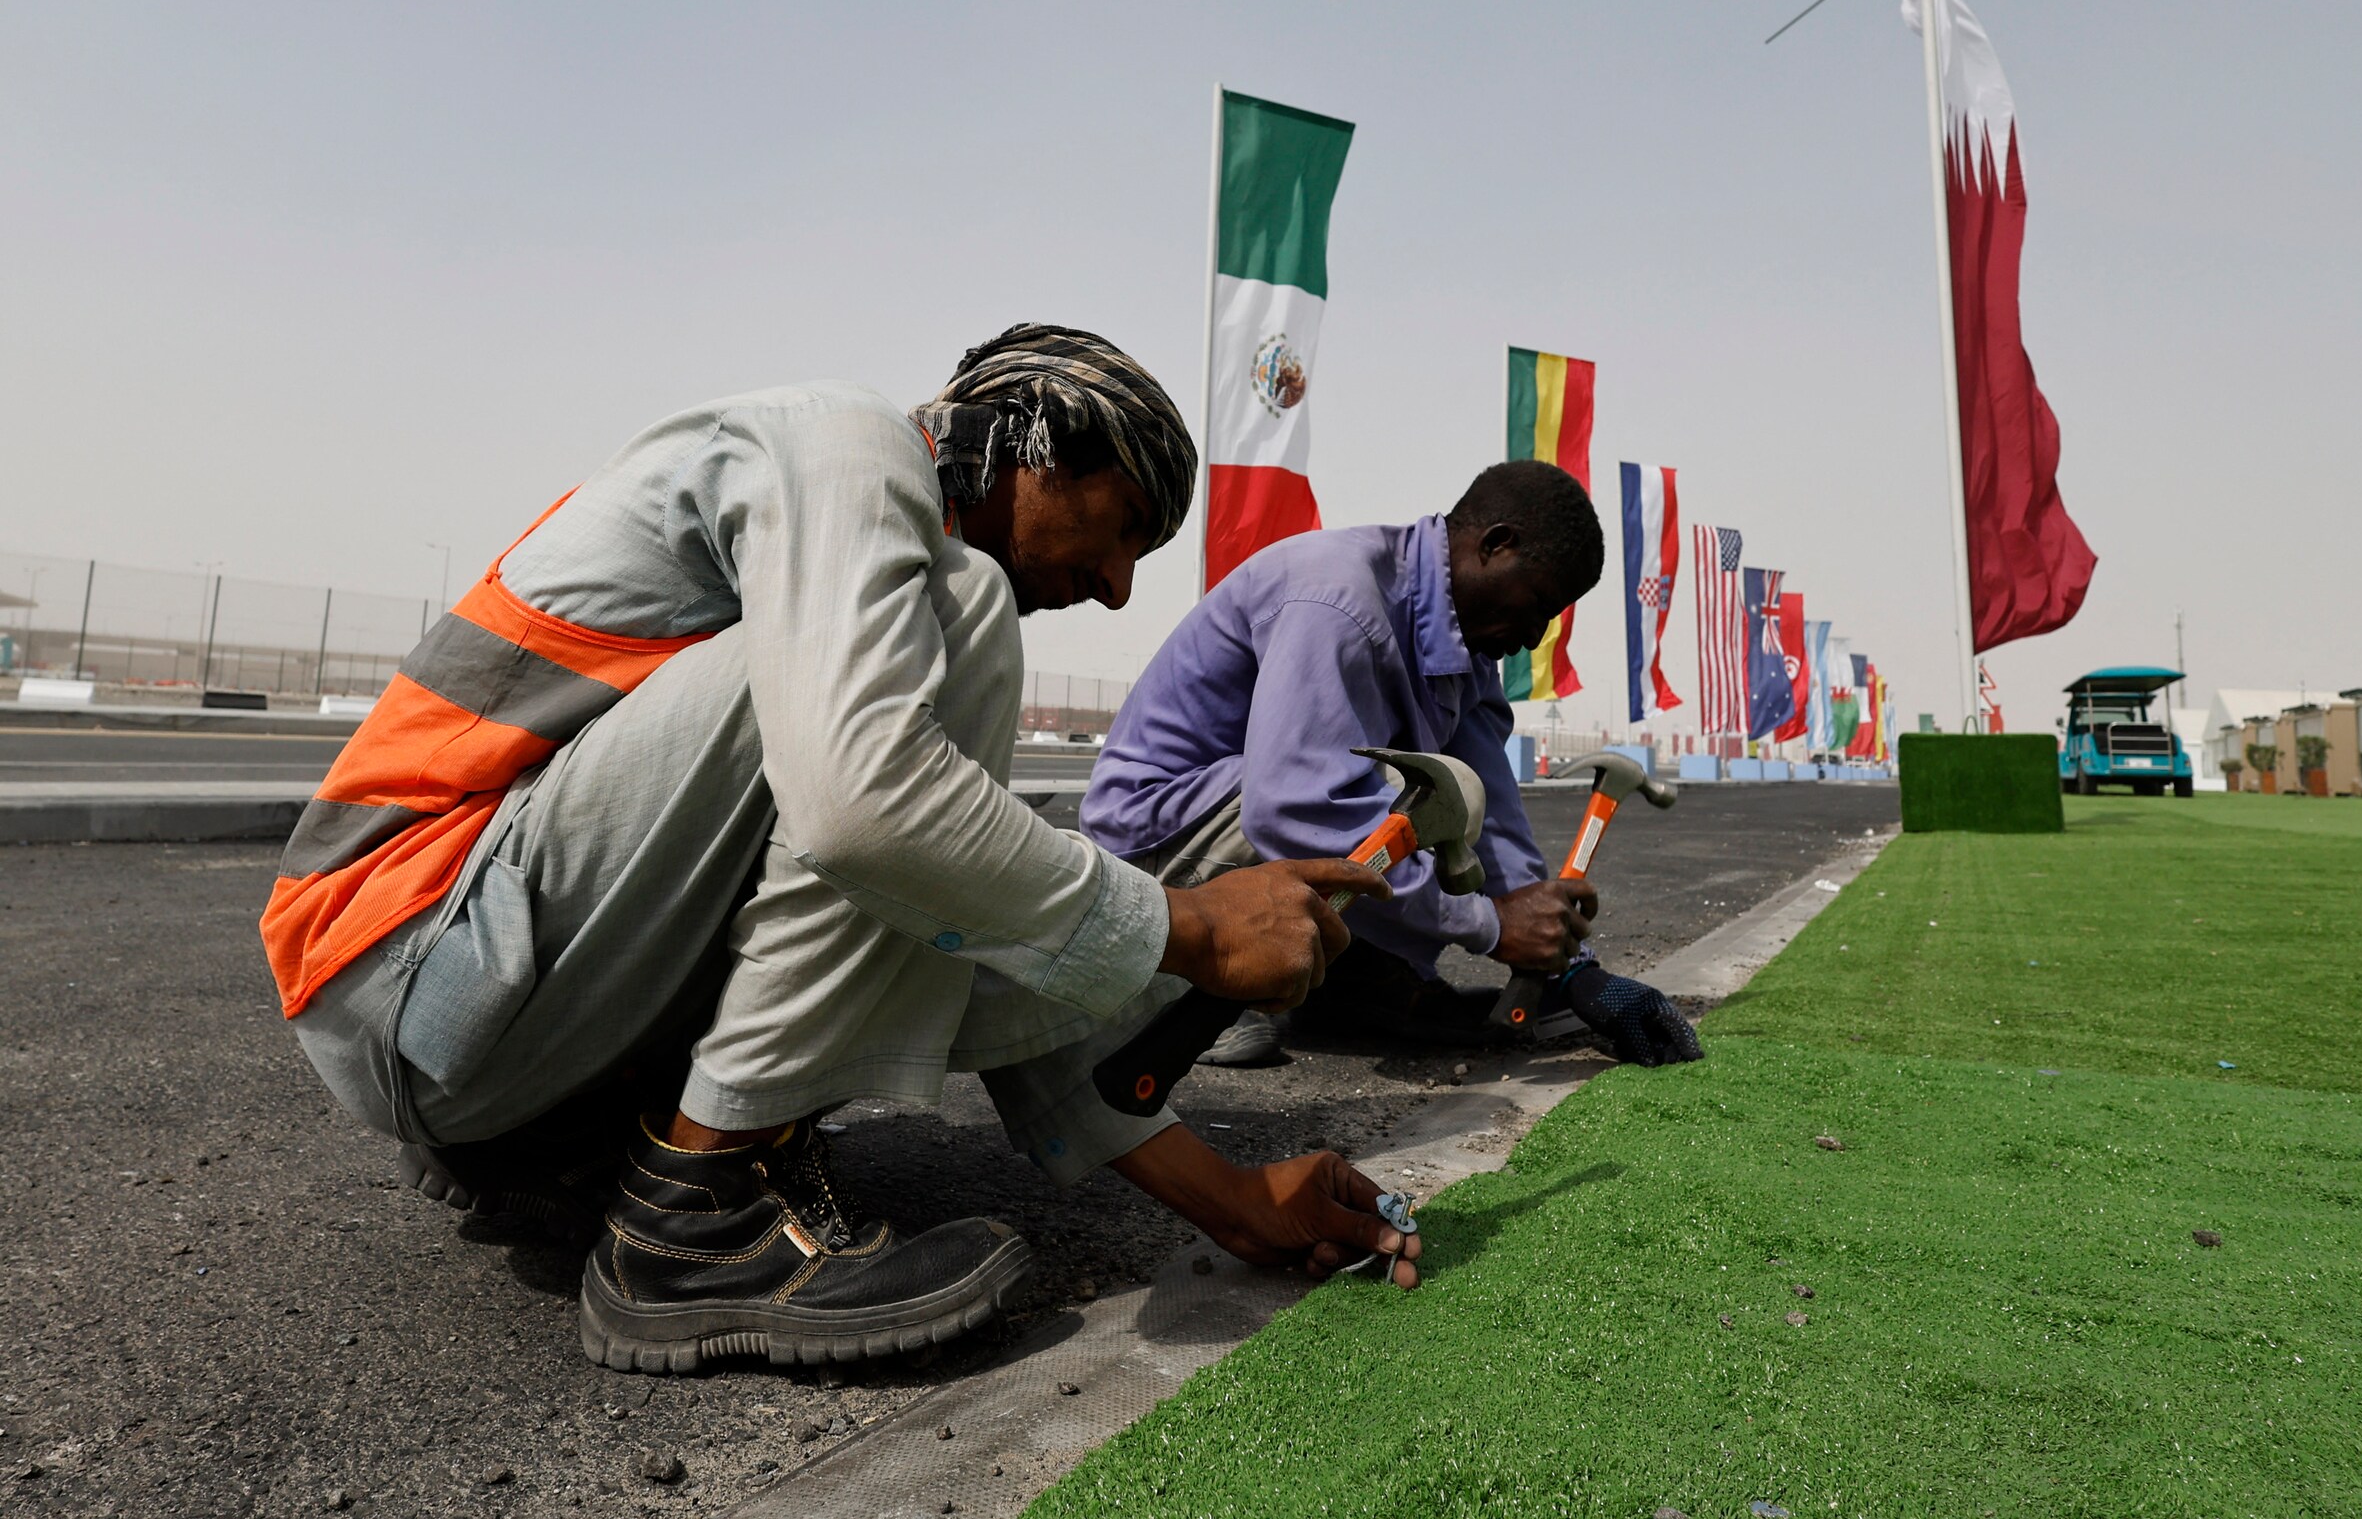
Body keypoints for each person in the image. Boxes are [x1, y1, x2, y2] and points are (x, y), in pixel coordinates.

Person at [261, 324, 1420, 1376]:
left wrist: (1232, 1202)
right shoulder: (850, 451)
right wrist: (1189, 923)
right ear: (1033, 447)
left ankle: (567, 1139)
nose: (1117, 590)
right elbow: (863, 810)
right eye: (1121, 530)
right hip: (407, 959)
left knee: (940, 832)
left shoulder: (865, 555)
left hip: (465, 997)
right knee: (935, 663)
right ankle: (694, 1222)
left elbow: (951, 903)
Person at [1080, 460, 1704, 1070]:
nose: (1537, 635)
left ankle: (1340, 988)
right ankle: (1200, 989)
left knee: (1438, 797)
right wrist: (1486, 923)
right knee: (1359, 796)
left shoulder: (1468, 653)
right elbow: (1295, 805)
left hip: (1250, 825)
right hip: (1149, 850)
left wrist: (1569, 966)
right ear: (1495, 545)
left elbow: (1493, 816)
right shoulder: (1340, 600)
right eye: (1539, 603)